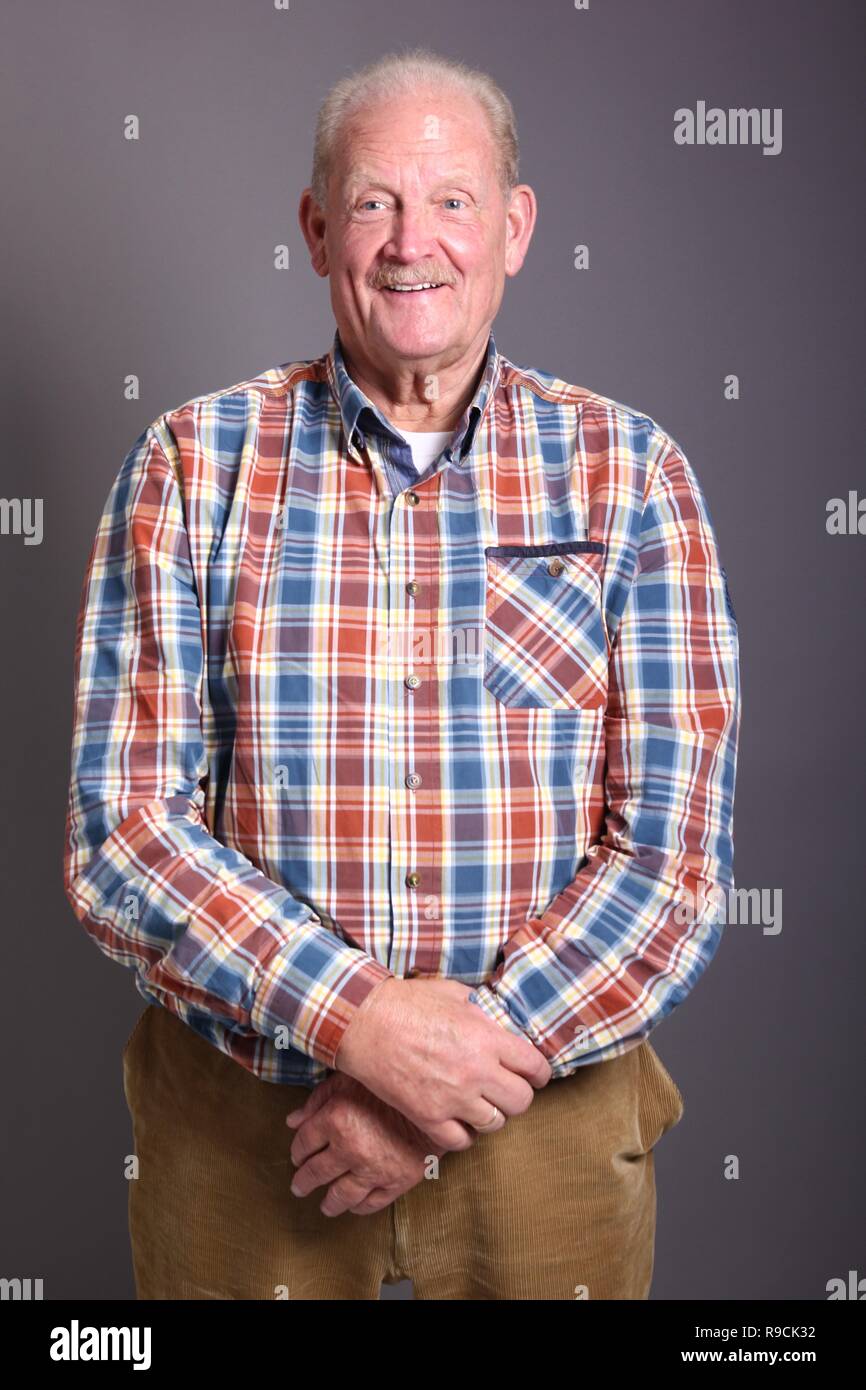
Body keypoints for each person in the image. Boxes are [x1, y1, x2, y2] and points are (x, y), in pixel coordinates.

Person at [63, 46, 740, 1300]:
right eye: (372, 201)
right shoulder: (189, 465)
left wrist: (447, 1078)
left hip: (546, 1134)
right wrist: (361, 1025)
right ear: (318, 228)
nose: (408, 240)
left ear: (514, 228)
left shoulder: (628, 473)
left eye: (451, 201)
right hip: (248, 1138)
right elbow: (124, 836)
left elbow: (671, 862)